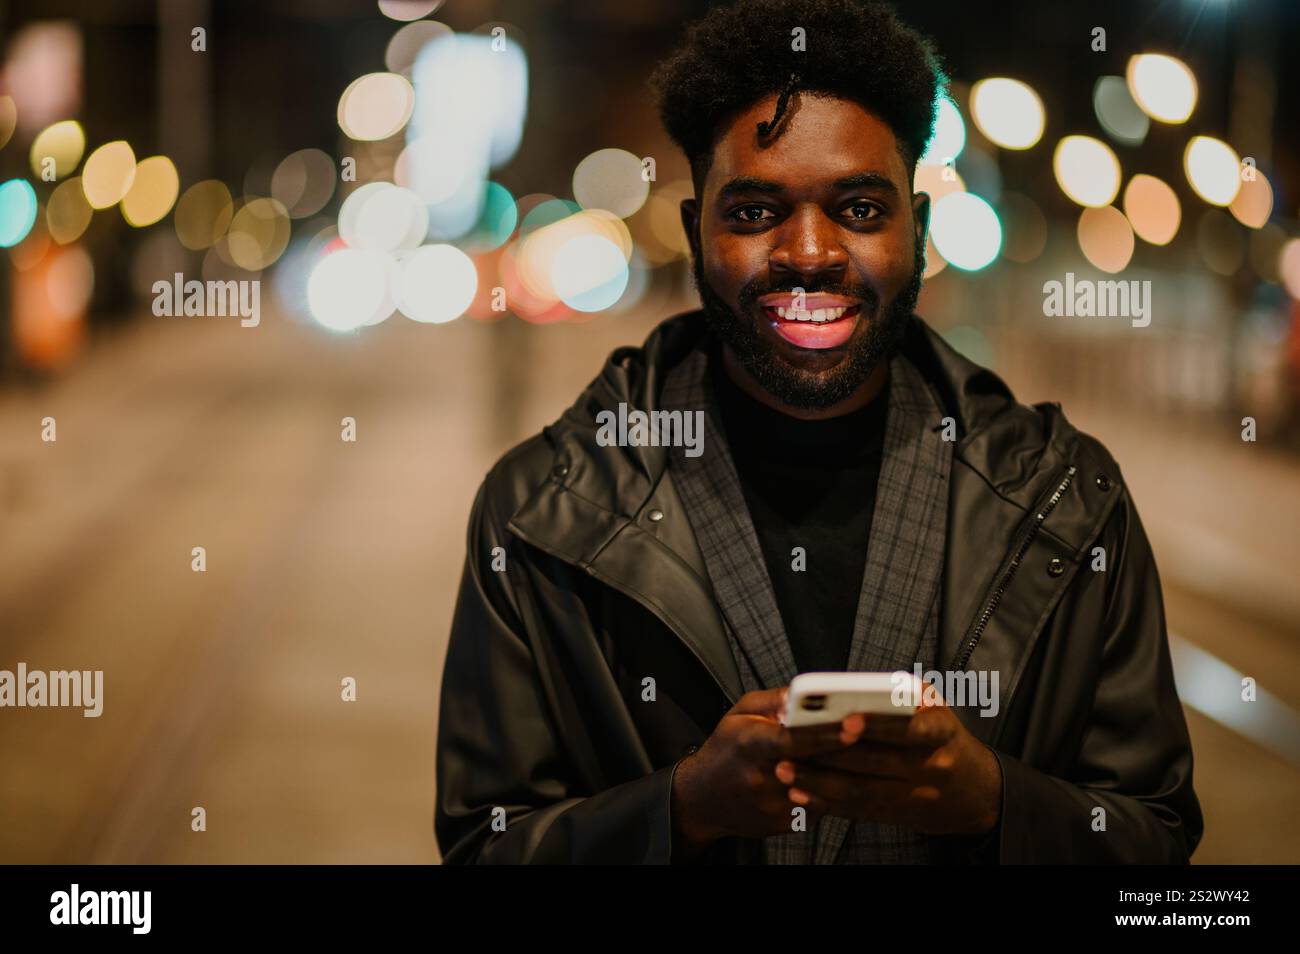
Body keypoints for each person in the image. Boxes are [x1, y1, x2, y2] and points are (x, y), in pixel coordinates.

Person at [435, 0, 1203, 864]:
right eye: (756, 213)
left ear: (917, 227)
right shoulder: (539, 514)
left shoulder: (1070, 501)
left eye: (861, 210)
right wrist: (678, 811)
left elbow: (1159, 847)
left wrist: (995, 801)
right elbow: (481, 846)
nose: (809, 253)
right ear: (697, 231)